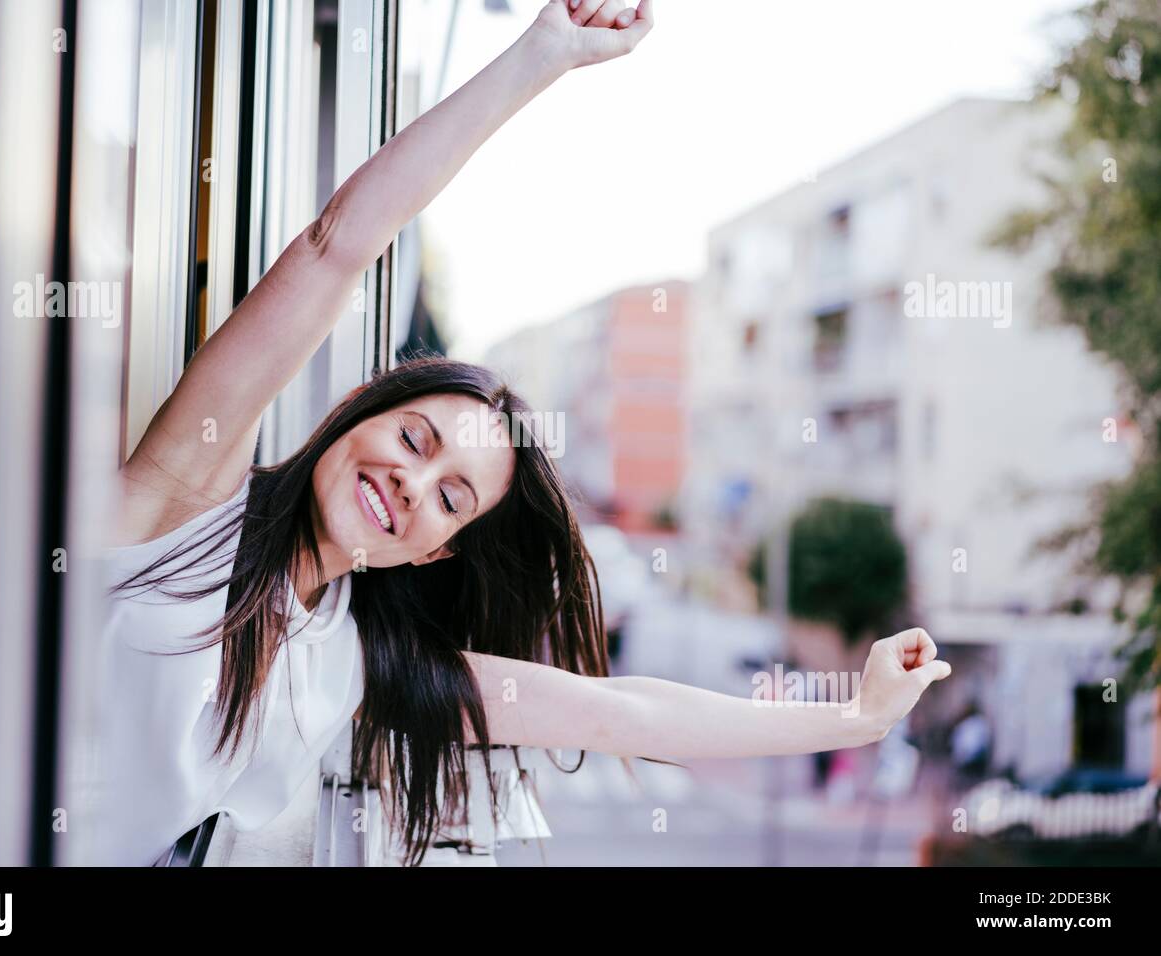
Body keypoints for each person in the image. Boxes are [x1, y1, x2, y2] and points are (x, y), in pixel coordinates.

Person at [95, 0, 952, 866]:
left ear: (436, 551)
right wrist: (542, 55)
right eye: (417, 441)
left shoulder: (349, 660)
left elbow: (620, 712)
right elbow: (334, 248)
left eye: (450, 500)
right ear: (359, 414)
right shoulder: (190, 503)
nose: (411, 484)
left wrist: (859, 714)